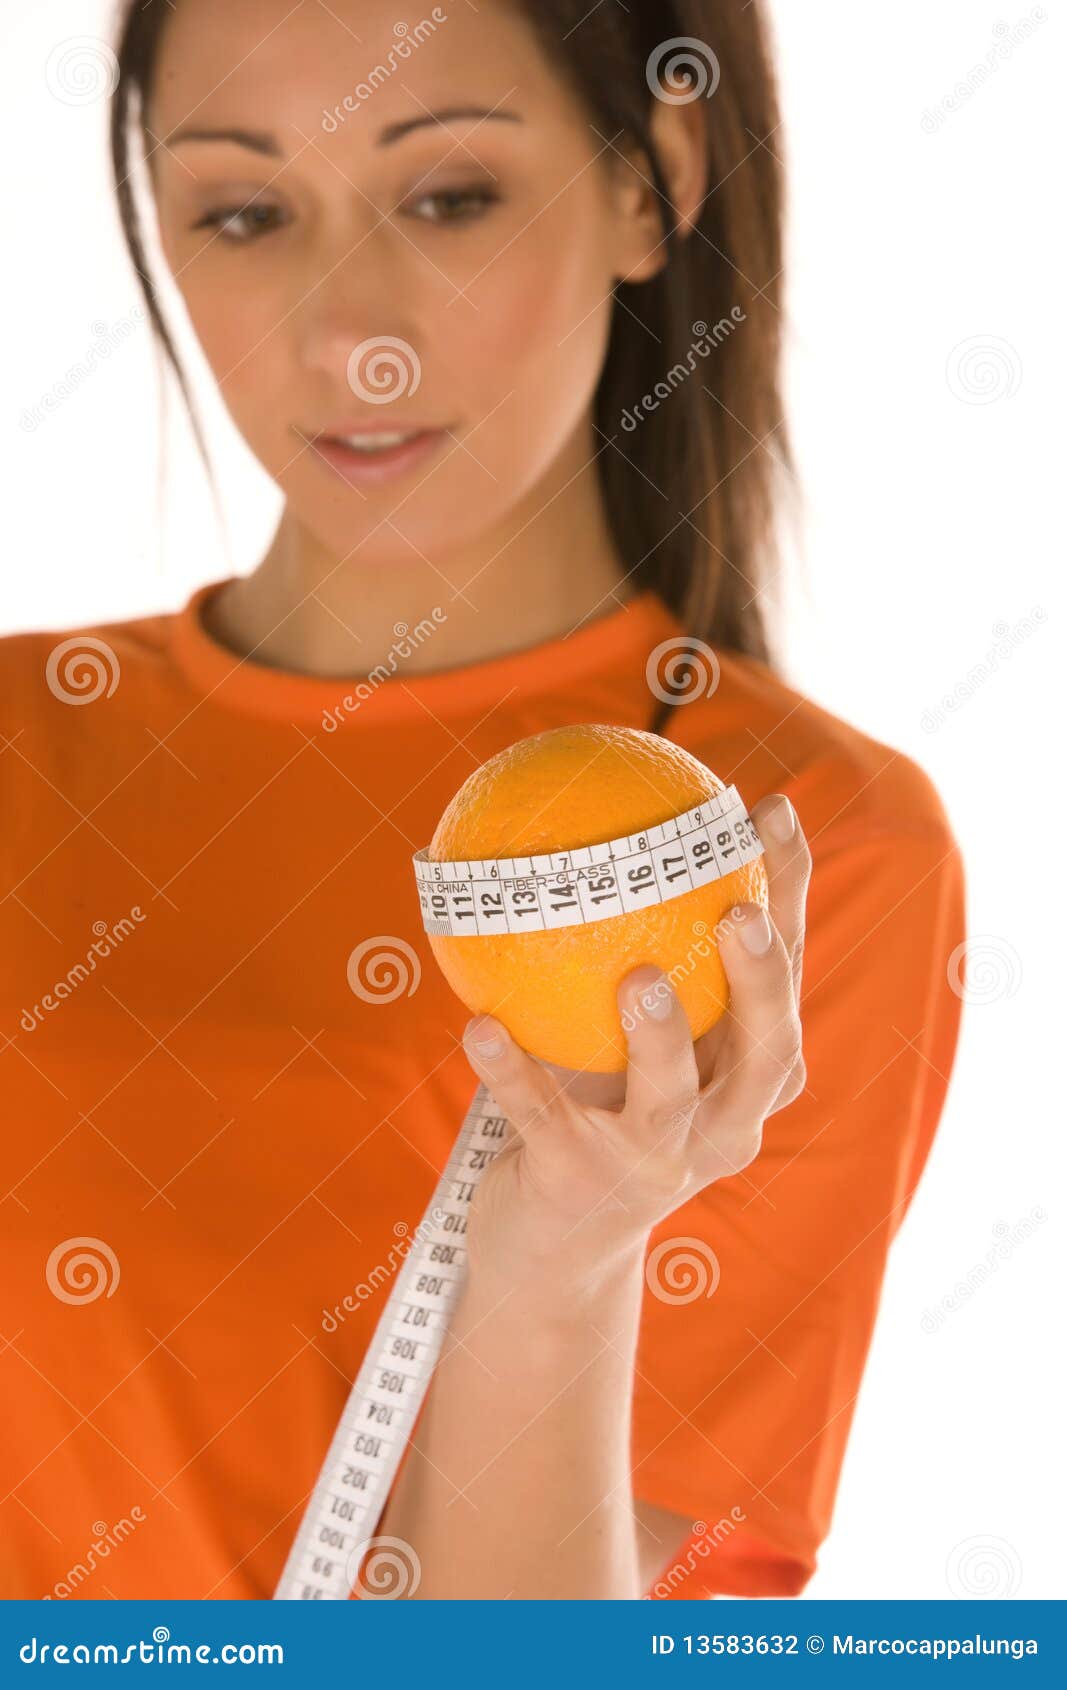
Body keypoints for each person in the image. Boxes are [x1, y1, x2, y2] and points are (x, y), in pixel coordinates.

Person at [0, 0, 966, 1600]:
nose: (348, 334)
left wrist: (561, 1255)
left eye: (449, 196)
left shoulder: (795, 851)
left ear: (653, 180)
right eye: (245, 212)